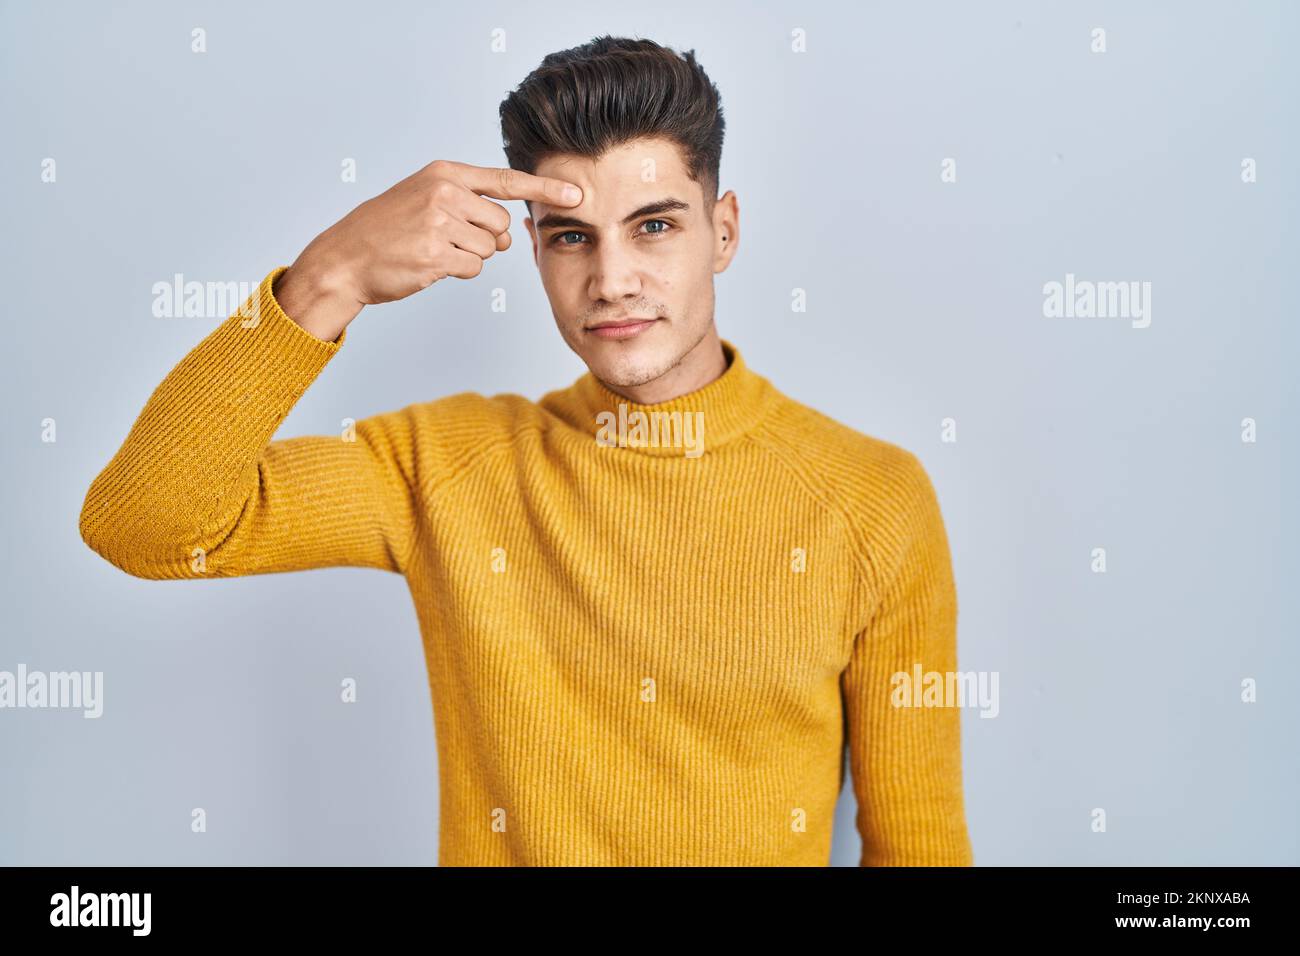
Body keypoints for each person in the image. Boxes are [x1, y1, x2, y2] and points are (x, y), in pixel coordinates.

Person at [79, 35, 973, 867]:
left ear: (724, 231)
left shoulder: (870, 498)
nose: (612, 279)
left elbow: (918, 844)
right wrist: (331, 276)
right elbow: (143, 525)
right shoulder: (449, 464)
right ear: (535, 252)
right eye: (572, 237)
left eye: (655, 226)